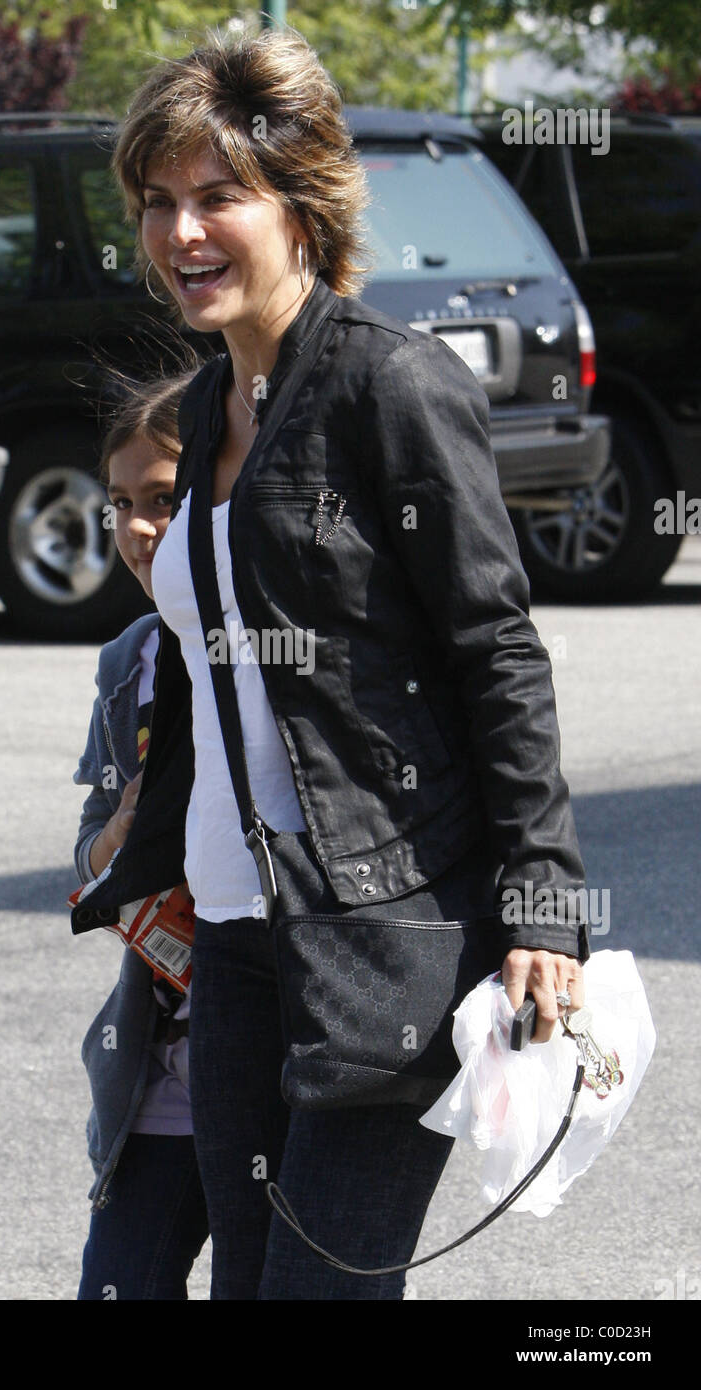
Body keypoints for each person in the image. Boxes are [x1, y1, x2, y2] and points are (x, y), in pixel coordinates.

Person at [97, 26, 590, 1300]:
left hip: (382, 929)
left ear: (300, 204)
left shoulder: (390, 388)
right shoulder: (207, 406)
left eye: (218, 197)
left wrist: (541, 894)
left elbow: (494, 645)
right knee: (251, 1281)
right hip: (233, 935)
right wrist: (147, 858)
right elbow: (216, 678)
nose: (180, 232)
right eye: (159, 203)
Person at [72, 368, 209, 1300]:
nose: (135, 530)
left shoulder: (271, 650)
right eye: (121, 503)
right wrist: (112, 843)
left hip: (271, 1063)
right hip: (158, 1064)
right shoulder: (130, 660)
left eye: (163, 499)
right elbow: (87, 839)